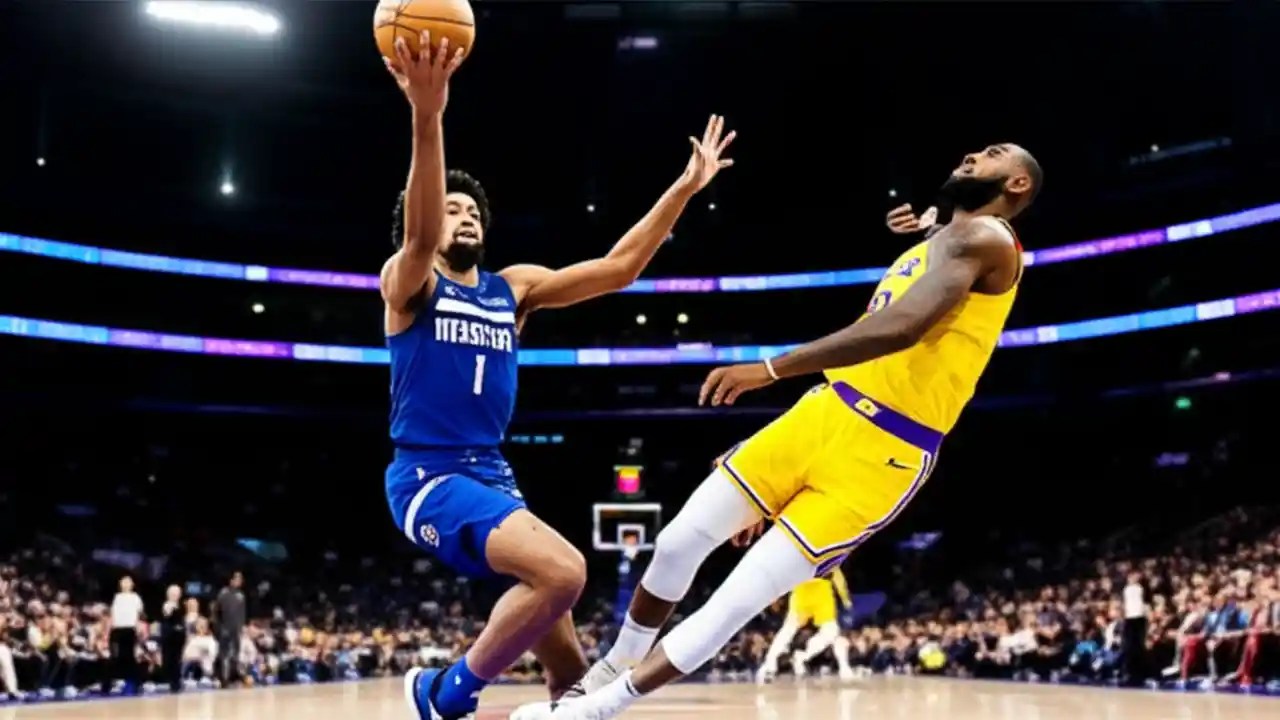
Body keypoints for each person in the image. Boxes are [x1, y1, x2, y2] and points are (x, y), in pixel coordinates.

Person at [515, 143, 1042, 720]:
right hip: (821, 413)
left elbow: (903, 327)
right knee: (676, 542)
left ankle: (589, 712)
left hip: (886, 450)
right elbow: (941, 248)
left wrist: (770, 367)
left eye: (992, 155)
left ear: (1016, 183)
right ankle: (610, 667)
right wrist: (930, 225)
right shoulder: (946, 237)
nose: (971, 154)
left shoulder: (987, 240)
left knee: (732, 602)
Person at [378, 33, 734, 720]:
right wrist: (429, 114)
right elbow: (419, 236)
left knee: (571, 677)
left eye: (473, 209)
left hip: (494, 474)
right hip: (429, 476)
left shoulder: (513, 290)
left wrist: (684, 189)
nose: (465, 214)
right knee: (566, 571)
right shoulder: (408, 283)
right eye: (451, 208)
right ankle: (443, 692)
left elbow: (619, 268)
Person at [755, 565, 854, 683]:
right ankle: (769, 664)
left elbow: (836, 572)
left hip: (822, 591)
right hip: (802, 590)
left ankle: (803, 656)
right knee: (788, 629)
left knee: (831, 631)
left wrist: (845, 598)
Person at [108, 575, 143, 695]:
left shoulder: (135, 598)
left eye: (128, 582)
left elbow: (138, 614)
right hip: (118, 628)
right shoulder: (117, 597)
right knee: (118, 656)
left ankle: (134, 682)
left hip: (130, 629)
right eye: (123, 582)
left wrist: (137, 627)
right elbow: (113, 613)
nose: (125, 584)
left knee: (130, 656)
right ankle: (119, 681)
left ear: (132, 585)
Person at [212, 571, 246, 686]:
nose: (239, 581)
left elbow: (242, 614)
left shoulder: (241, 596)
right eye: (237, 579)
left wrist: (241, 627)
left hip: (236, 630)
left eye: (240, 579)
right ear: (231, 580)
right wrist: (219, 629)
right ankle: (223, 679)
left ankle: (233, 677)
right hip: (225, 629)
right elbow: (216, 613)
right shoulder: (223, 594)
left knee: (235, 654)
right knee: (224, 655)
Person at [159, 585, 186, 693]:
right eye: (173, 593)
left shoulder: (181, 606)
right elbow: (167, 616)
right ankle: (172, 682)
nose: (175, 595)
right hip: (169, 636)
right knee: (170, 659)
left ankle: (177, 682)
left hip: (178, 637)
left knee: (177, 659)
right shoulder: (167, 605)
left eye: (177, 593)